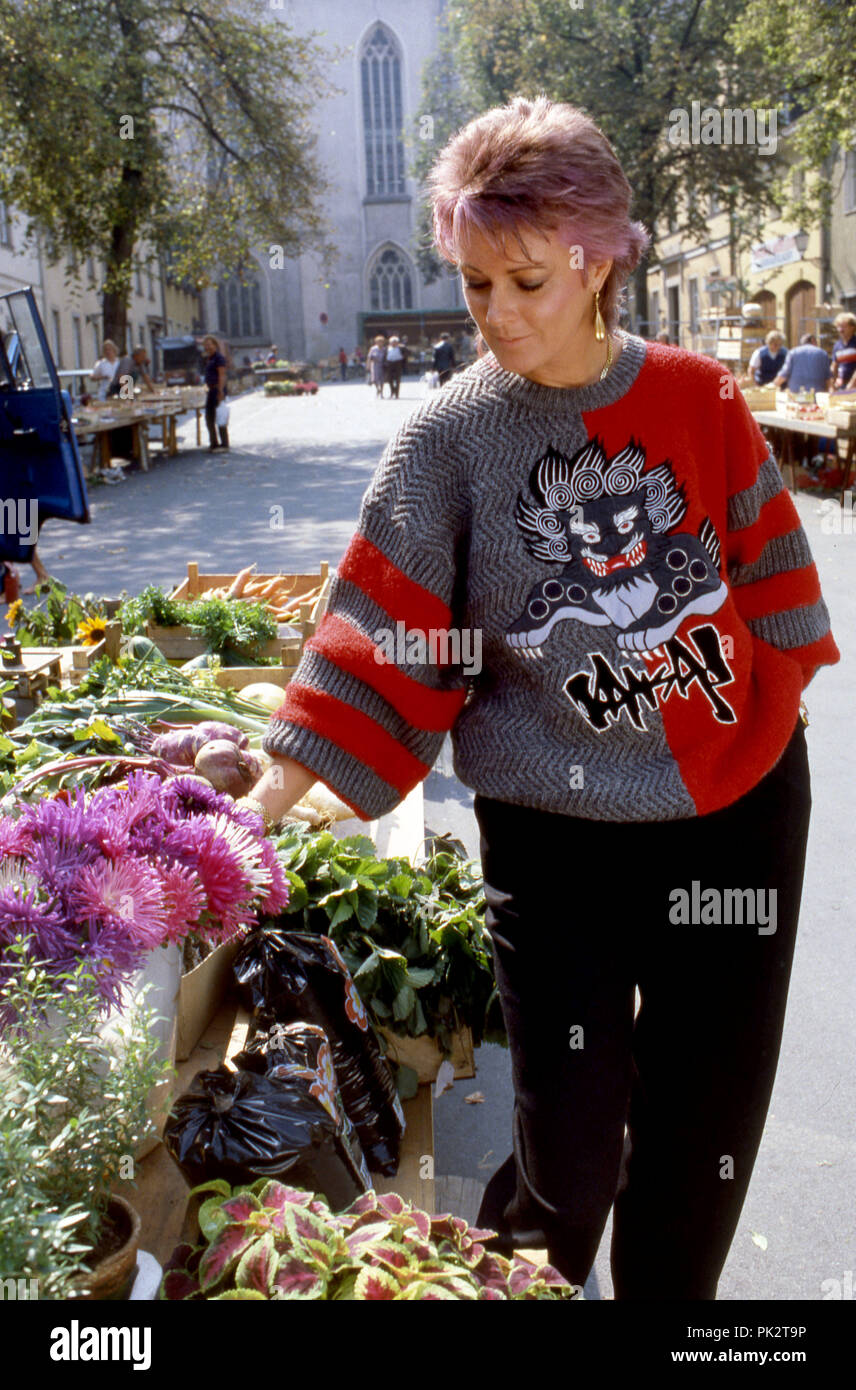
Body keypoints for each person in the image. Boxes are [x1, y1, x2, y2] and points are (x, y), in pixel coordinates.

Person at [238, 95, 839, 1301]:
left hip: (732, 816)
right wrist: (277, 784)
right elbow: (387, 624)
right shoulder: (449, 438)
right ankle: (520, 1285)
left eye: (525, 282)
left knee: (698, 1139)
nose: (497, 316)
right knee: (570, 1143)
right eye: (473, 286)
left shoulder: (701, 398)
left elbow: (772, 576)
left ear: (597, 257)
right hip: (552, 836)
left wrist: (761, 716)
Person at [202, 335, 229, 452]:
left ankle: (224, 445)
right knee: (209, 418)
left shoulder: (219, 358)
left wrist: (221, 391)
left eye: (210, 344)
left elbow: (222, 375)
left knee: (220, 417)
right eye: (206, 345)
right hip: (210, 389)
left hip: (217, 389)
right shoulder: (209, 358)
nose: (208, 347)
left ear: (215, 345)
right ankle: (214, 444)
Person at [830, 312, 856, 392]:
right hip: (841, 385)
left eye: (844, 327)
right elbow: (834, 366)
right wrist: (832, 384)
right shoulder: (837, 346)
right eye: (839, 327)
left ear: (852, 327)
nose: (840, 330)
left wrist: (852, 384)